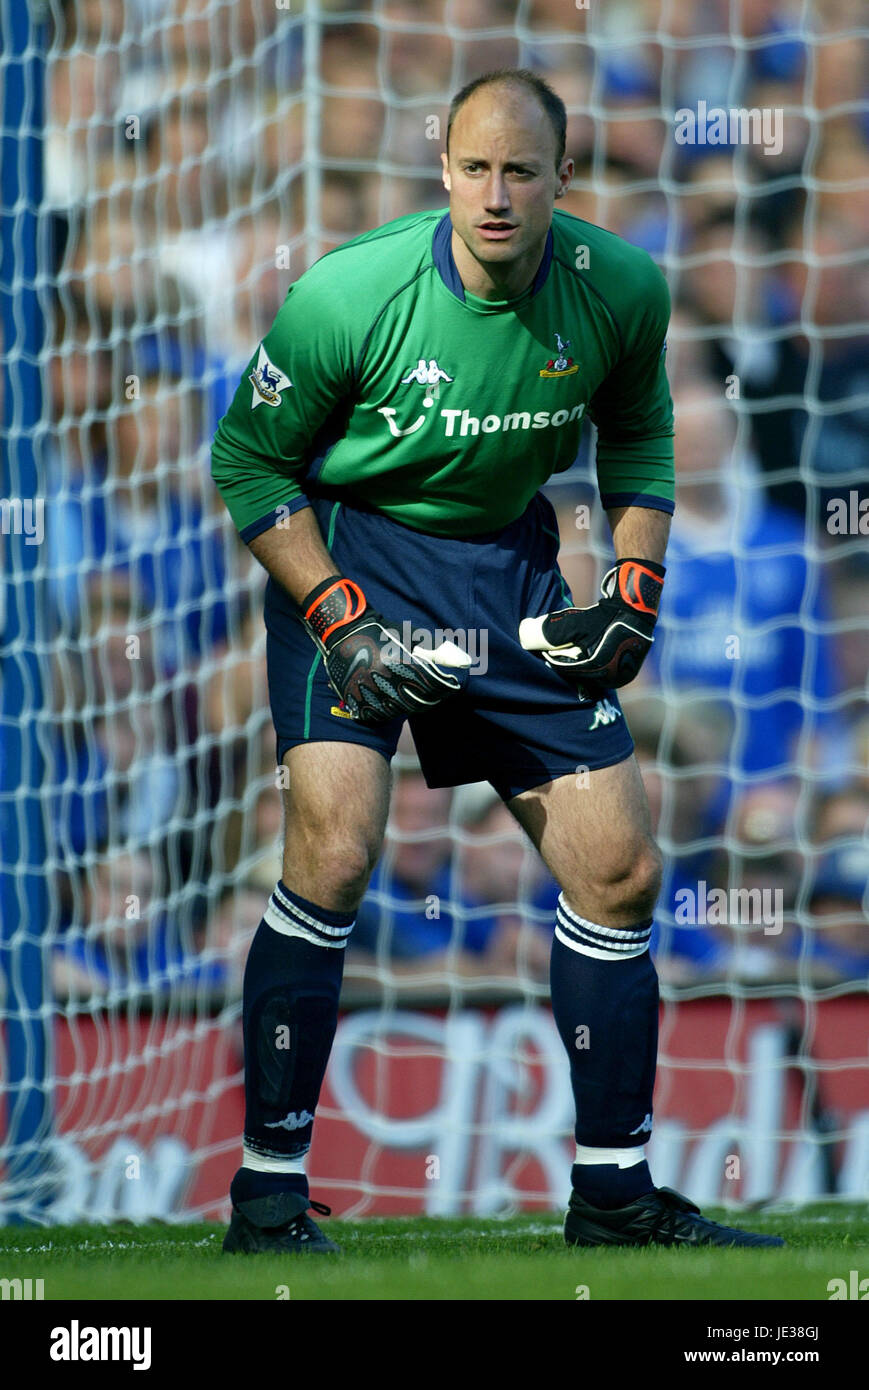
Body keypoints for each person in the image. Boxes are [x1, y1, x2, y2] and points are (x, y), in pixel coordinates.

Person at [211, 68, 782, 1252]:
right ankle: (268, 1191)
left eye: (521, 170)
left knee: (617, 868)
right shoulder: (346, 293)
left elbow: (636, 430)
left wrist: (631, 586)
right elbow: (250, 467)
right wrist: (335, 615)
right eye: (474, 168)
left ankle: (613, 1193)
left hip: (511, 573)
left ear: (560, 179)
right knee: (335, 845)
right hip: (350, 556)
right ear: (443, 171)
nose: (495, 194)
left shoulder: (618, 287)